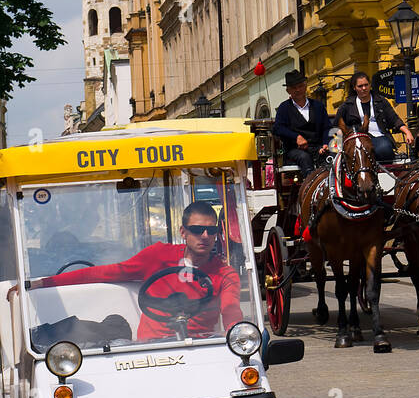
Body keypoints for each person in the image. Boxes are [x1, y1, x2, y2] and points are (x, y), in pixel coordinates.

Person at [33, 201, 241, 343]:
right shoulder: (158, 255)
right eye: (196, 230)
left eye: (211, 231)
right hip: (150, 349)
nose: (205, 236)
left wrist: (238, 334)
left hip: (200, 347)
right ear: (183, 232)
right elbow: (106, 272)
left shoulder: (225, 273)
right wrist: (45, 282)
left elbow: (231, 311)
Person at [335, 71, 412, 164]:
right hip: (357, 139)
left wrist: (407, 132)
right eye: (360, 86)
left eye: (366, 85)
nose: (364, 88)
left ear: (370, 85)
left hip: (380, 137)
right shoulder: (347, 106)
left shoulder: (381, 101)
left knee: (385, 149)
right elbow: (336, 126)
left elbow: (394, 119)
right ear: (354, 88)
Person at [273, 69, 331, 175]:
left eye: (300, 86)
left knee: (334, 157)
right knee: (304, 158)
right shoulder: (284, 107)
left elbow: (327, 127)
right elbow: (278, 128)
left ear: (305, 86)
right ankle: (310, 185)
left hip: (317, 147)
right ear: (288, 90)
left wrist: (326, 144)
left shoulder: (318, 106)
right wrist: (296, 137)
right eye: (294, 88)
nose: (298, 90)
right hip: (294, 150)